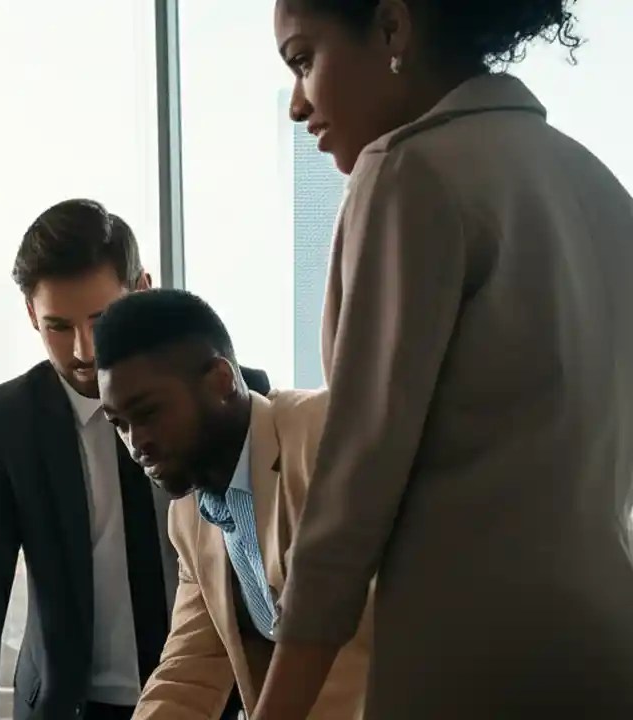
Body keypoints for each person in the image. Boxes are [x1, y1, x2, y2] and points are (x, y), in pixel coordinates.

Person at [253, 1, 633, 718]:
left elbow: (352, 496)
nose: (299, 105)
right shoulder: (600, 186)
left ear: (392, 28)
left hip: (472, 660)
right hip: (608, 652)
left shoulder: (406, 172)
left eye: (304, 59)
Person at [0, 199, 269, 720]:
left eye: (102, 319)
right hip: (68, 708)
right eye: (58, 326)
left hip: (207, 701)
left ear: (141, 289)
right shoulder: (3, 423)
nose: (84, 350)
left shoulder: (226, 391)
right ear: (30, 314)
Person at [91, 289, 371, 719]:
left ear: (221, 381)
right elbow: (190, 670)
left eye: (148, 413)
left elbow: (346, 626)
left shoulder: (318, 434)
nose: (135, 444)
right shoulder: (188, 518)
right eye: (120, 424)